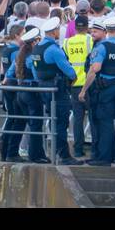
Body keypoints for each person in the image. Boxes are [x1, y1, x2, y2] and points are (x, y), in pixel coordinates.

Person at [80, 14, 115, 167]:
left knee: (105, 122)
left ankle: (105, 158)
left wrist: (84, 89)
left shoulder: (102, 47)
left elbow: (96, 68)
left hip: (106, 88)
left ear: (107, 30)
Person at [31, 16, 79, 164]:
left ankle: (58, 152)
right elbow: (70, 72)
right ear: (55, 31)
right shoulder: (54, 50)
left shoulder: (37, 47)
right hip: (57, 90)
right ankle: (64, 156)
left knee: (53, 121)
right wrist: (73, 77)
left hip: (43, 89)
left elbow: (34, 70)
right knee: (61, 122)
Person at [1, 24, 36, 162]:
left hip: (10, 85)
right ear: (17, 35)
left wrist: (3, 81)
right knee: (18, 120)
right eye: (23, 33)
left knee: (13, 119)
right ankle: (10, 150)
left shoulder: (7, 49)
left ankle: (6, 149)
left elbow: (6, 70)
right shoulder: (17, 50)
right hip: (17, 86)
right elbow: (17, 67)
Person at [62, 15, 93, 161]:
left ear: (75, 28)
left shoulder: (67, 42)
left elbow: (65, 60)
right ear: (87, 27)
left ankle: (78, 149)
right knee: (93, 117)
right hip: (89, 83)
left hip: (74, 84)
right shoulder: (90, 40)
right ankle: (96, 149)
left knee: (78, 119)